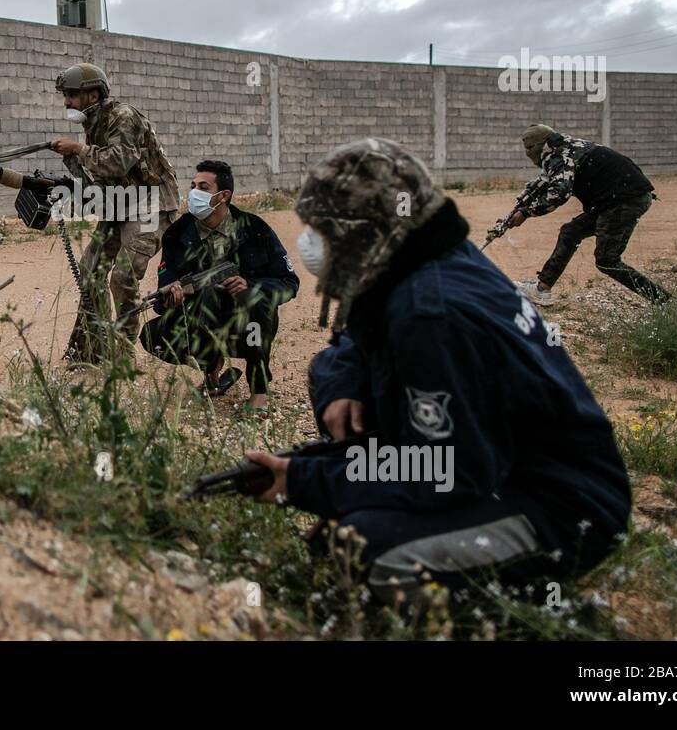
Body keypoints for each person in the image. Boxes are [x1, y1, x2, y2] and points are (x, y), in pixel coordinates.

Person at [244, 138, 631, 607]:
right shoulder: (431, 256)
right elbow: (352, 345)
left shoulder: (431, 313)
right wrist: (340, 391)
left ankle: (547, 614)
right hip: (493, 462)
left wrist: (308, 481)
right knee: (334, 377)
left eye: (325, 228)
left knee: (369, 549)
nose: (311, 241)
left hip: (562, 507)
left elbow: (445, 472)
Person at [45, 63, 181, 361]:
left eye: (70, 95)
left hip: (152, 204)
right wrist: (72, 162)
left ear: (92, 95)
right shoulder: (92, 125)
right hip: (122, 203)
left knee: (122, 276)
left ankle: (121, 354)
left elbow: (119, 161)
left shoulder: (123, 116)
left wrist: (79, 150)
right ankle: (93, 347)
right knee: (90, 269)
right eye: (64, 95)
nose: (65, 101)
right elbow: (101, 176)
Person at [140, 160, 298, 411]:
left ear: (223, 196)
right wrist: (172, 297)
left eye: (203, 187)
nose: (194, 193)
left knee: (256, 302)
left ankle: (259, 392)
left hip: (247, 326)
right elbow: (165, 289)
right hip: (200, 318)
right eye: (193, 186)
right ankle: (211, 367)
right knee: (152, 335)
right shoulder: (178, 234)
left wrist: (251, 284)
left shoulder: (255, 229)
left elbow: (289, 282)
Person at [505, 124, 669, 305]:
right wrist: (522, 205)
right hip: (615, 199)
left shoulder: (561, 155)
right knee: (571, 232)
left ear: (539, 145)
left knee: (607, 260)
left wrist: (526, 213)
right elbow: (545, 181)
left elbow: (558, 195)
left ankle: (662, 300)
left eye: (529, 148)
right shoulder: (565, 147)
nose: (528, 153)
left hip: (624, 200)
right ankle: (542, 289)